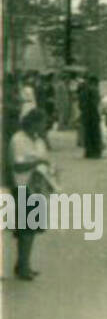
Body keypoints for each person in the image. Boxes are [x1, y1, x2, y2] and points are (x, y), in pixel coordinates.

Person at [4, 109, 55, 280]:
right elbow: (18, 166)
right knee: (26, 230)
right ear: (32, 123)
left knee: (32, 230)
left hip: (37, 187)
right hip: (22, 187)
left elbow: (44, 159)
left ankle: (24, 264)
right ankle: (23, 267)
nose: (43, 126)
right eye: (41, 123)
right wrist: (38, 162)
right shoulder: (19, 140)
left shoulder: (38, 140)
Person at [80, 74, 103, 159]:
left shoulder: (84, 90)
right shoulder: (94, 90)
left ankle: (88, 152)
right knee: (95, 134)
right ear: (95, 82)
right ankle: (96, 152)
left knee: (88, 134)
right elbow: (95, 103)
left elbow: (81, 104)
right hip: (93, 115)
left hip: (86, 115)